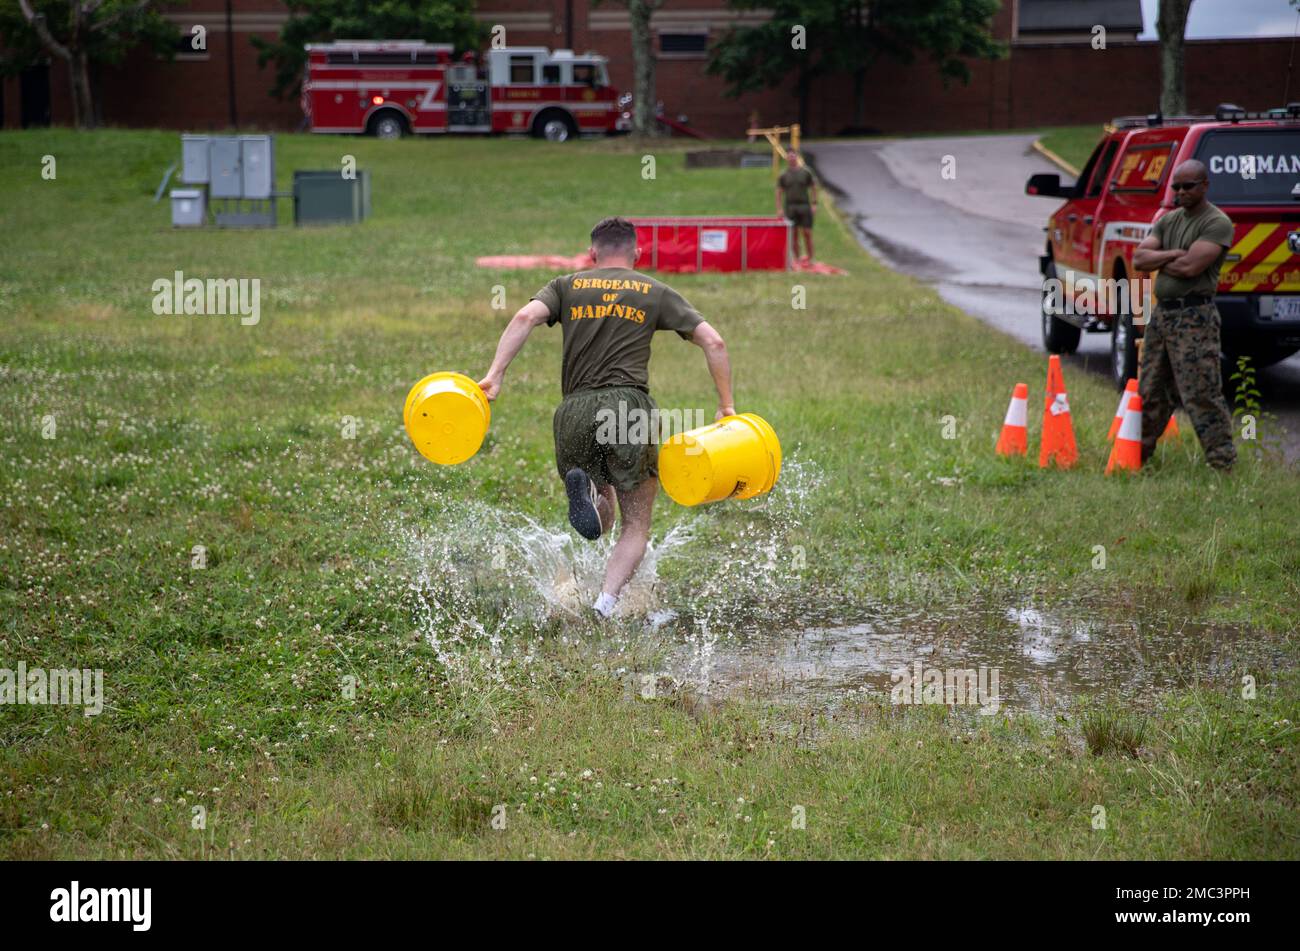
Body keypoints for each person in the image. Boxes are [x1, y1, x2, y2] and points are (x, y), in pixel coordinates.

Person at [477, 217, 735, 619]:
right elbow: (714, 341)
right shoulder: (654, 291)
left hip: (573, 412)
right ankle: (604, 604)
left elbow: (524, 318)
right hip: (628, 409)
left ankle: (590, 498)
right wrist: (726, 405)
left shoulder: (566, 286)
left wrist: (494, 375)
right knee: (636, 523)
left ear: (592, 253)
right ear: (637, 252)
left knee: (604, 504)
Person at [1132, 159, 1237, 471]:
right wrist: (1172, 254)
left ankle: (1222, 462)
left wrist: (1160, 259)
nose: (1180, 192)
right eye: (1176, 186)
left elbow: (1191, 267)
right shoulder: (1168, 220)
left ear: (1204, 185)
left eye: (1188, 186)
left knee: (1200, 392)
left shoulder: (1216, 222)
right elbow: (1139, 258)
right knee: (1149, 390)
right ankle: (1137, 458)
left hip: (1195, 317)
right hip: (1163, 316)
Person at [776, 148, 817, 264]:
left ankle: (811, 258)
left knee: (807, 232)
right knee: (793, 234)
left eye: (793, 156)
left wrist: (814, 203)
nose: (791, 158)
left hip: (804, 206)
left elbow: (813, 187)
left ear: (797, 157)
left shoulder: (806, 172)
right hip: (790, 207)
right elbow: (779, 192)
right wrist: (779, 208)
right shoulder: (784, 175)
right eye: (789, 156)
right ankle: (797, 258)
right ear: (787, 158)